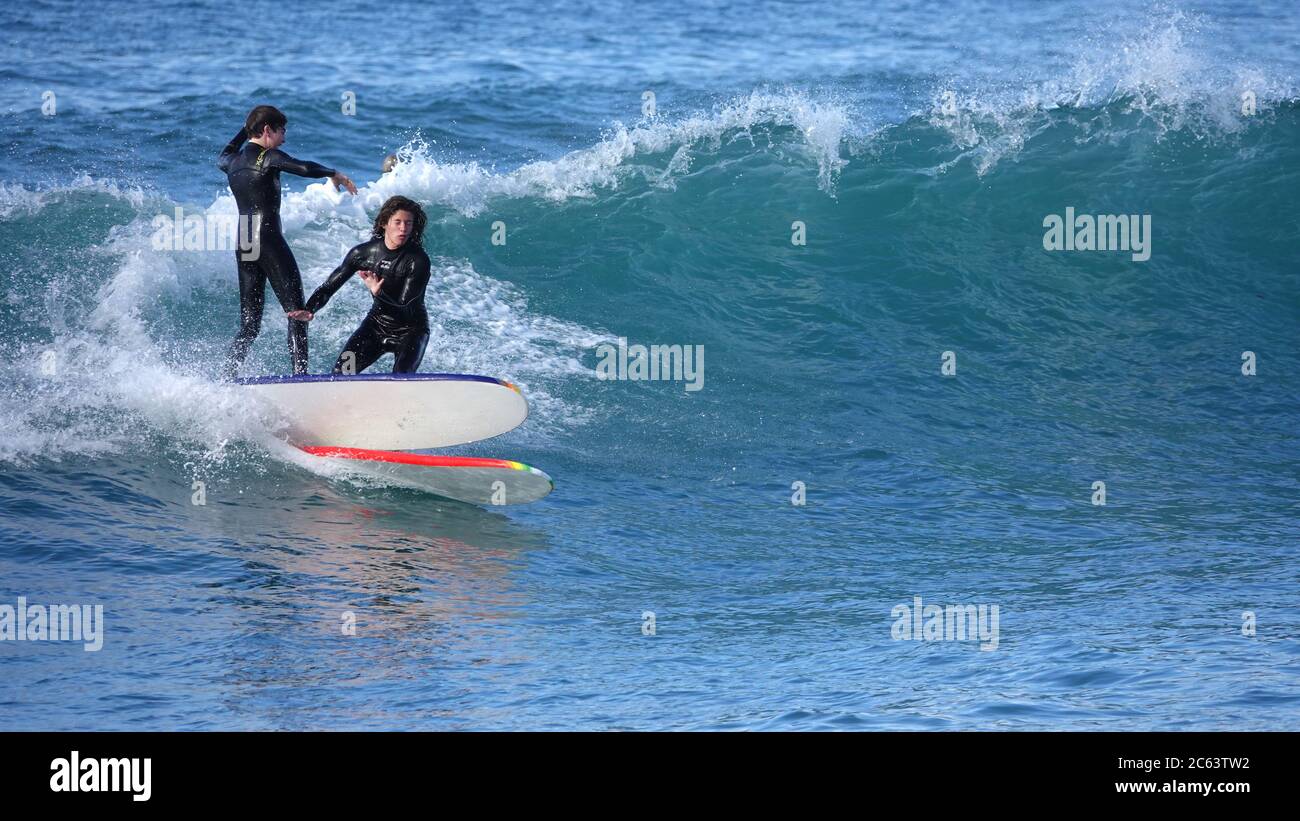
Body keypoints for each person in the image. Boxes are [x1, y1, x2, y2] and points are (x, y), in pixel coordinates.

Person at [217, 105, 357, 378]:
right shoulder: (268, 157)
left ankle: (227, 376)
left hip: (244, 240)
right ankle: (300, 378)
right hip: (267, 239)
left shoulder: (232, 162)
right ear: (267, 130)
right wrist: (333, 173)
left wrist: (245, 131)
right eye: (281, 131)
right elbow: (303, 167)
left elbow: (222, 154)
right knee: (298, 312)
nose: (284, 138)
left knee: (249, 324)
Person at [301, 196, 431, 374]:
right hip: (375, 326)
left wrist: (379, 293)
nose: (403, 229)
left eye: (408, 223)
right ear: (385, 223)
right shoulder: (363, 253)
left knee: (401, 380)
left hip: (412, 331)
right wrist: (309, 309)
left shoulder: (418, 260)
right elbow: (328, 287)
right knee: (341, 373)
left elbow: (406, 306)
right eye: (398, 222)